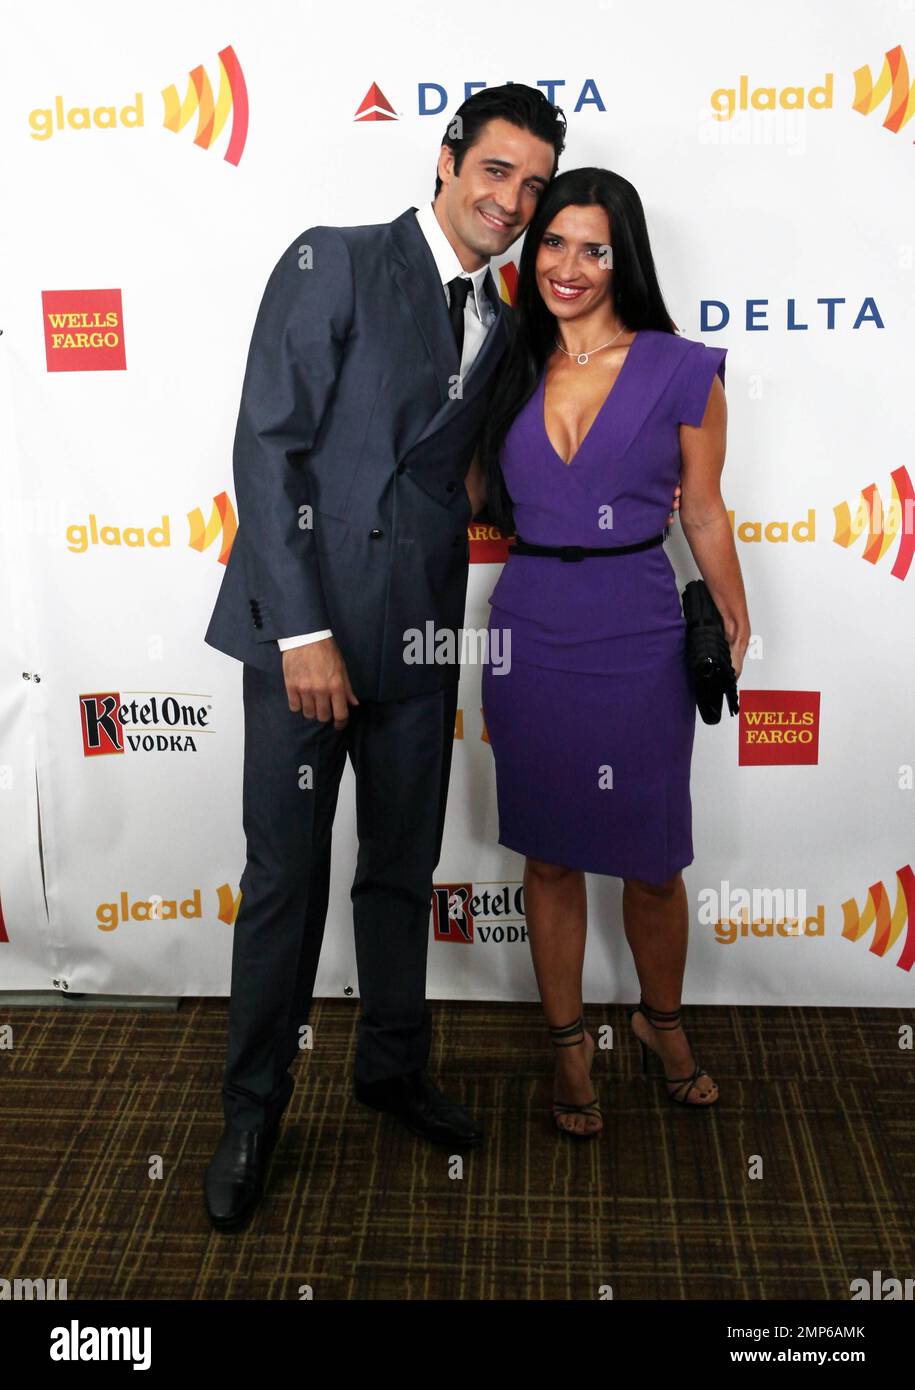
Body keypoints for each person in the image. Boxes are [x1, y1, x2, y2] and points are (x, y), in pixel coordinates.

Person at [200, 85, 569, 1231]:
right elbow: (268, 449)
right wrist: (302, 633)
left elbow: (463, 475)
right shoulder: (338, 261)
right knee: (285, 879)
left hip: (419, 634)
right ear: (447, 159)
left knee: (402, 867)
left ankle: (392, 1064)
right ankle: (253, 1109)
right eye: (497, 171)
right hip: (307, 635)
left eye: (534, 186)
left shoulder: (502, 318)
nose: (512, 201)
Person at [473, 167, 751, 1138]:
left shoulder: (681, 367)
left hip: (637, 630)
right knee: (549, 855)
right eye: (552, 242)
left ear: (622, 257)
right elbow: (465, 489)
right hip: (530, 628)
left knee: (652, 859)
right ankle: (567, 1045)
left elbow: (704, 510)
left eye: (594, 248)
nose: (568, 265)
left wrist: (735, 613)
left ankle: (658, 1021)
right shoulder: (503, 362)